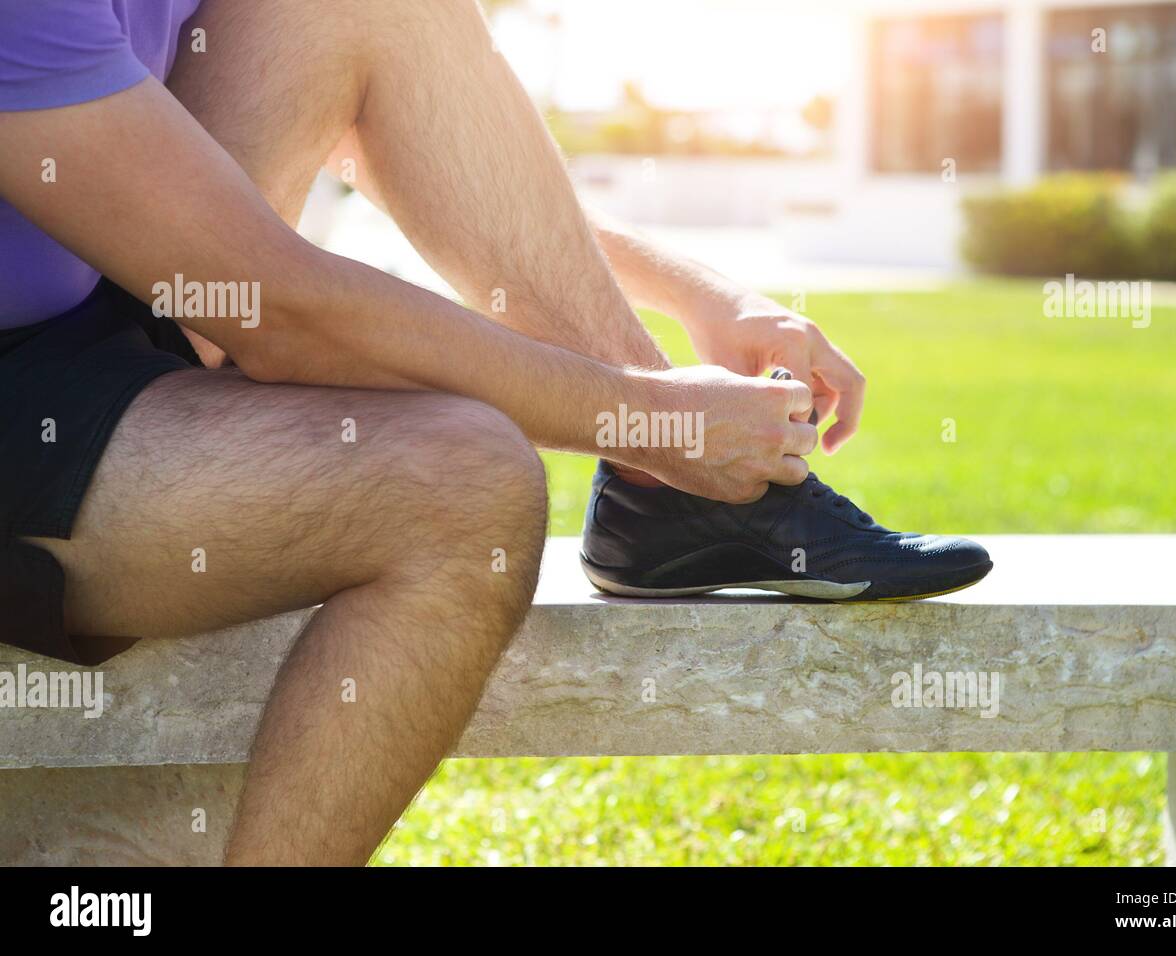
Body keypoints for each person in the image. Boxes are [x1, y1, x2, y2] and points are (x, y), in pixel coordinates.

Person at [0, 0, 990, 865]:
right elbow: (276, 304)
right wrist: (654, 416)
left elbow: (413, 138)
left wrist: (700, 294)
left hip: (99, 311)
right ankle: (670, 466)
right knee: (464, 481)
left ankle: (671, 498)